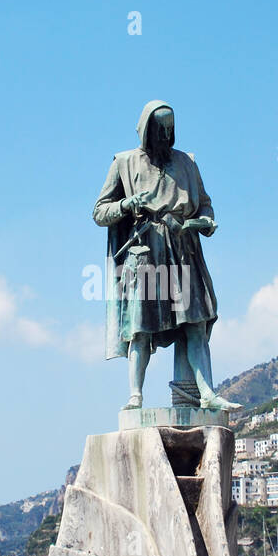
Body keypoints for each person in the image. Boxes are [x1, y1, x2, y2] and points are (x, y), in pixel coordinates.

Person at [93, 100, 241, 412]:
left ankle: (206, 393)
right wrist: (126, 204)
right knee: (140, 329)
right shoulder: (124, 162)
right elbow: (99, 212)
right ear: (146, 130)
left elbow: (205, 203)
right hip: (146, 253)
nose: (164, 136)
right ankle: (136, 395)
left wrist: (206, 221)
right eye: (159, 130)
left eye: (169, 130)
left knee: (195, 325)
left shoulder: (187, 163)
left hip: (183, 251)